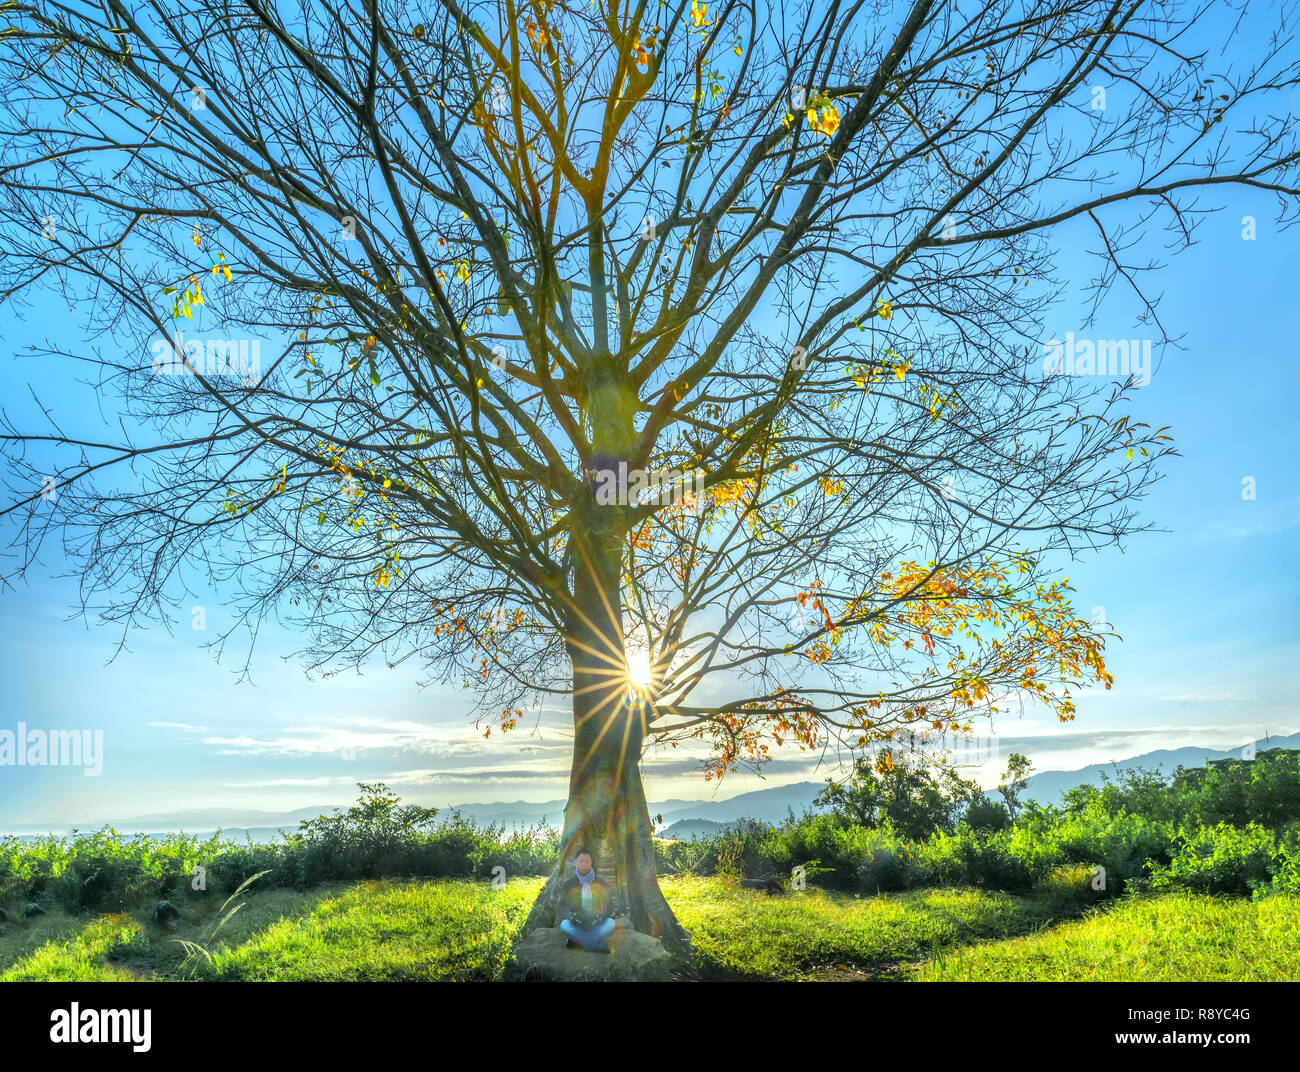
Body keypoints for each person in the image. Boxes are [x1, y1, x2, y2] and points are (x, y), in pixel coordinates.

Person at [557, 847, 616, 952]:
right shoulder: (568, 884)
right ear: (575, 863)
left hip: (596, 923)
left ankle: (577, 943)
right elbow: (562, 906)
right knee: (564, 925)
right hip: (577, 925)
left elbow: (609, 905)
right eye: (581, 861)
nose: (584, 864)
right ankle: (592, 945)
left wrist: (601, 917)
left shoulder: (600, 883)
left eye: (587, 861)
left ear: (591, 862)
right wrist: (571, 917)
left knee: (611, 923)